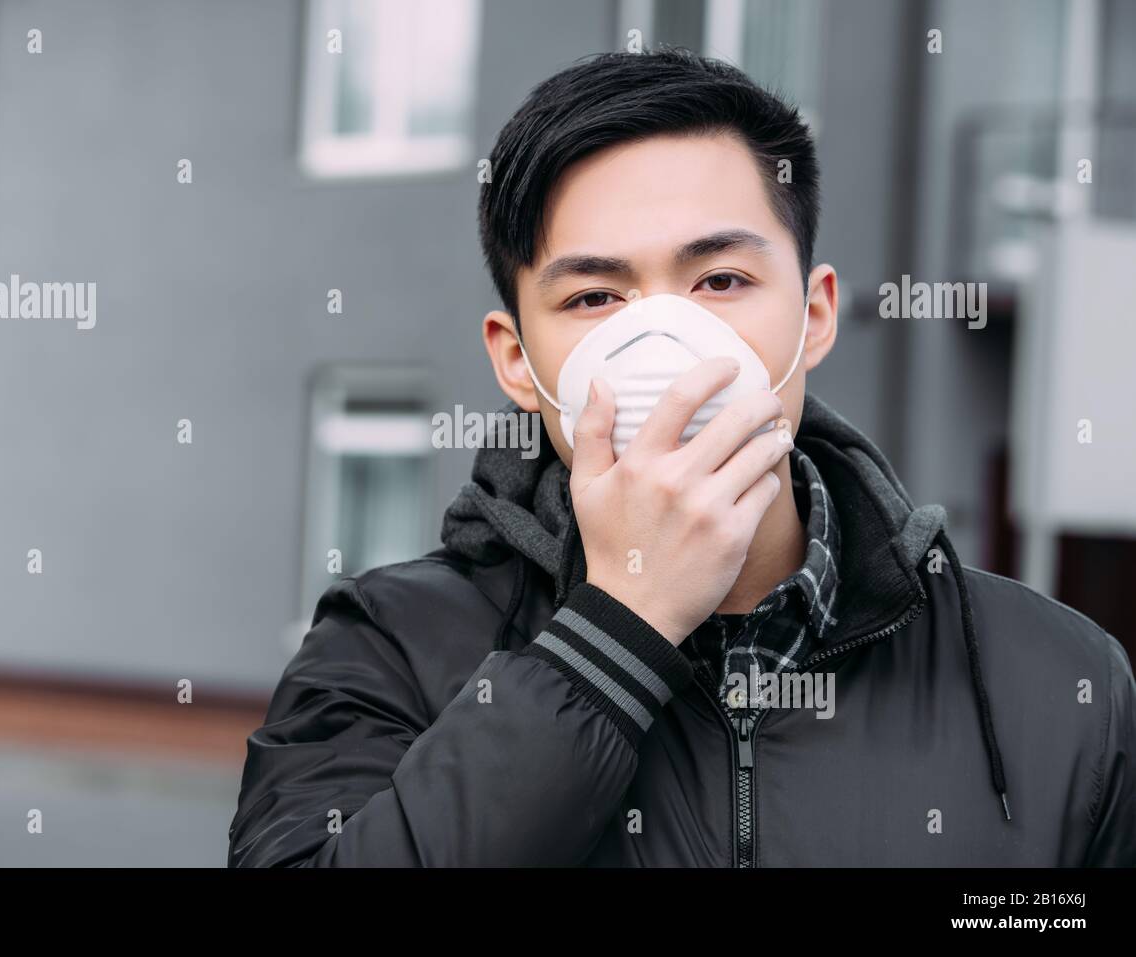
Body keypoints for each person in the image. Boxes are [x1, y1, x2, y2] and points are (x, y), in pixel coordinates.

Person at [228, 49, 1135, 867]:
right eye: (593, 296)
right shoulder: (389, 646)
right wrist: (621, 623)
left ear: (814, 316)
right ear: (515, 358)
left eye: (721, 281)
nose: (666, 342)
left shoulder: (1054, 679)